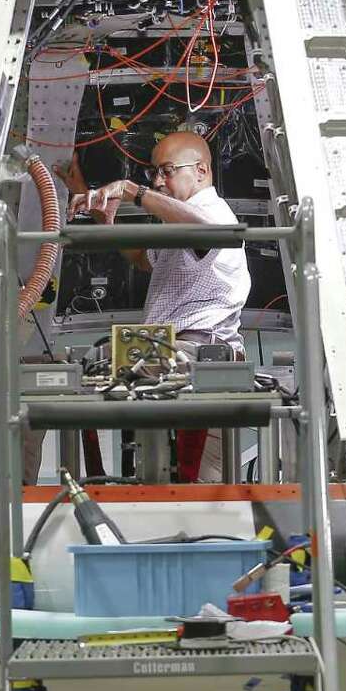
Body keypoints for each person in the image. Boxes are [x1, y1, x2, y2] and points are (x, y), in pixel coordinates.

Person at [60, 130, 251, 479]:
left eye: (166, 171)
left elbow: (209, 233)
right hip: (167, 349)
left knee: (207, 496)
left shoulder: (211, 211)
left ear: (201, 172)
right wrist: (106, 222)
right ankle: (73, 484)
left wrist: (133, 190)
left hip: (200, 351)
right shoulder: (177, 224)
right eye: (153, 174)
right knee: (55, 373)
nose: (159, 182)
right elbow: (144, 260)